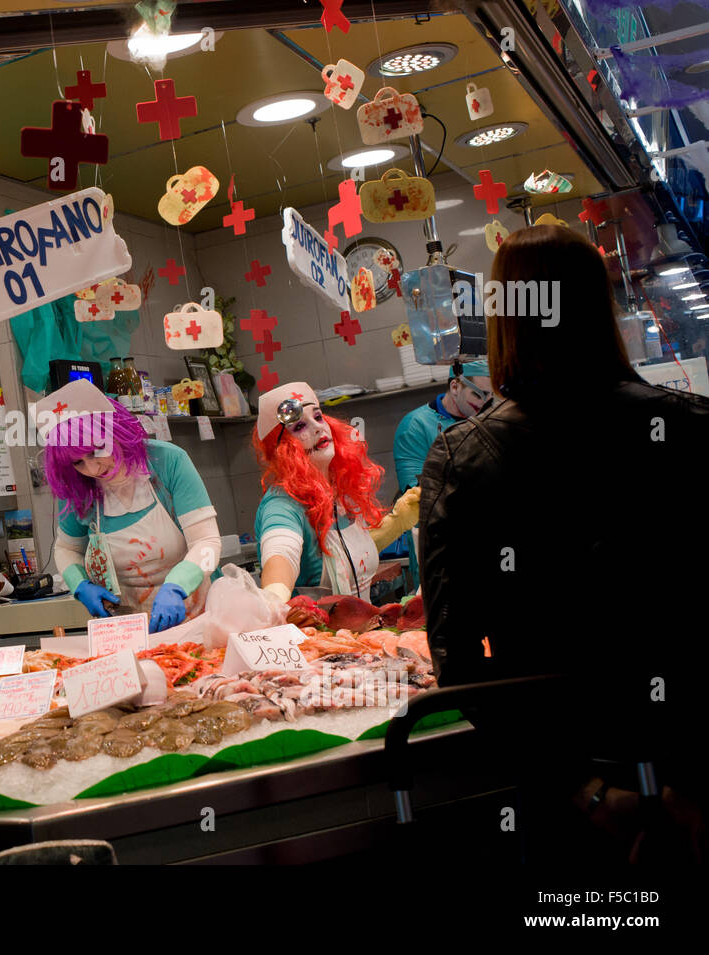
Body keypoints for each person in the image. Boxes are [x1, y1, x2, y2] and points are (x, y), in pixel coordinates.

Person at [419, 225, 709, 860]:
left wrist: (590, 794)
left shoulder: (462, 454)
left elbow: (461, 666)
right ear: (599, 307)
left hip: (573, 807)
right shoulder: (693, 427)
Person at [42, 378, 221, 633]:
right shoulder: (77, 487)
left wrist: (177, 587)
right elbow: (66, 548)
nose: (91, 469)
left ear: (114, 432)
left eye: (95, 452)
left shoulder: (168, 461)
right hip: (127, 625)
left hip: (198, 614)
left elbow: (207, 543)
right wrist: (79, 585)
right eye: (77, 462)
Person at [252, 381, 419, 610]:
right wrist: (273, 597)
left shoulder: (338, 490)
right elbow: (281, 553)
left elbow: (346, 554)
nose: (318, 428)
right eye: (300, 426)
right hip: (317, 640)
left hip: (362, 633)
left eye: (318, 417)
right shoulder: (281, 505)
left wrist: (397, 522)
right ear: (283, 448)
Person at [393, 359, 493, 493]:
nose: (484, 404)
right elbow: (414, 495)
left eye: (491, 397)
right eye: (479, 395)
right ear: (455, 387)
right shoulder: (415, 426)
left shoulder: (489, 421)